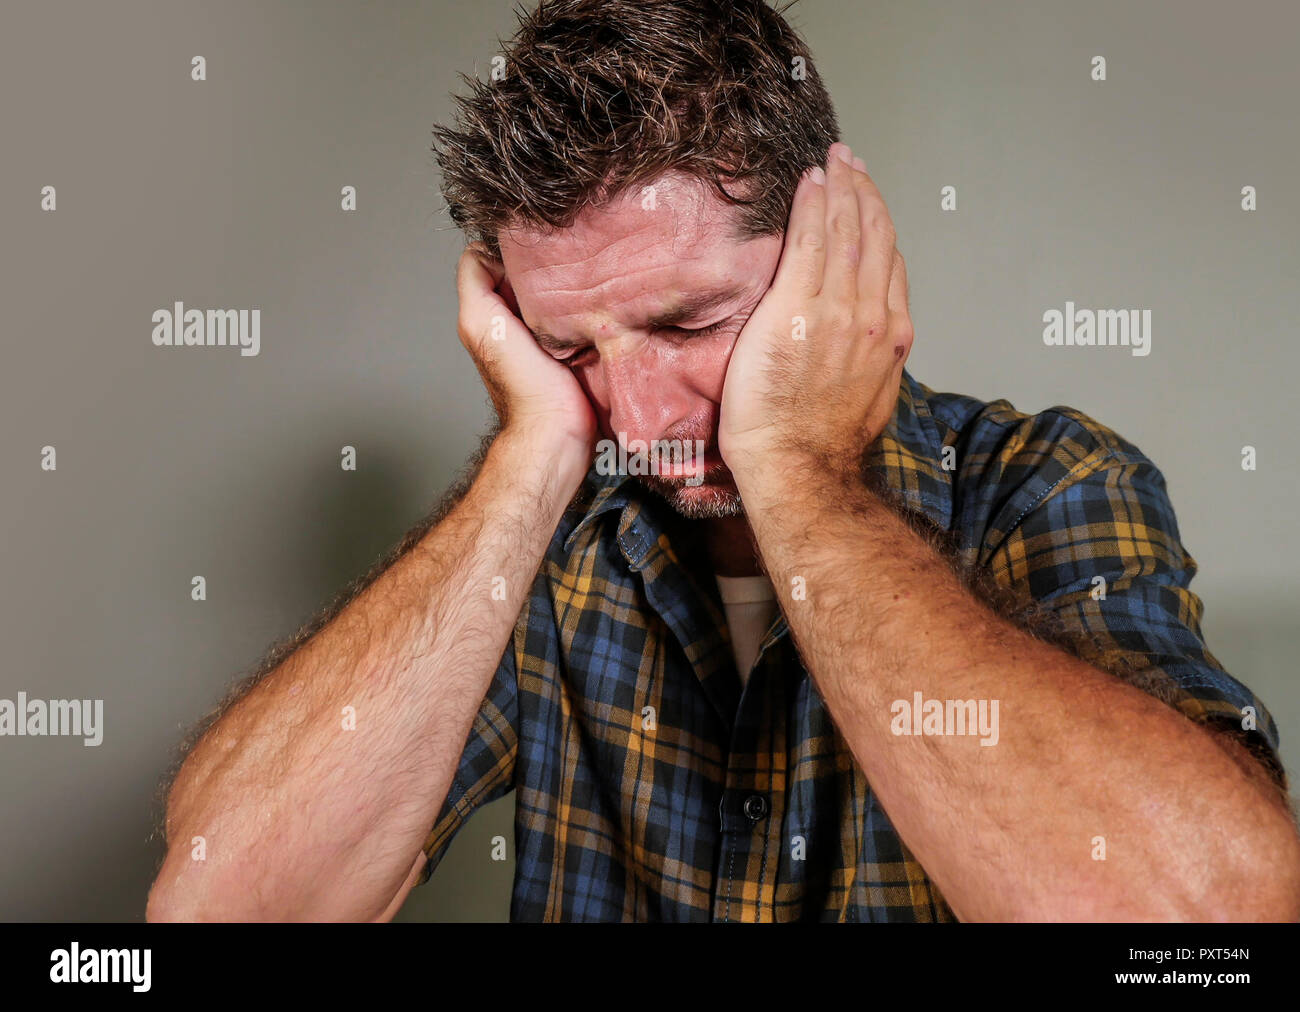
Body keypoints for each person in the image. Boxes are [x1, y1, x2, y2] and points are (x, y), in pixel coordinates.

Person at [146, 0, 1300, 922]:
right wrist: (533, 449)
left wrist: (794, 465)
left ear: (830, 256)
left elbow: (1203, 930)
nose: (637, 411)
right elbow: (219, 902)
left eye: (689, 323)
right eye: (571, 346)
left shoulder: (1044, 483)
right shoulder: (553, 546)